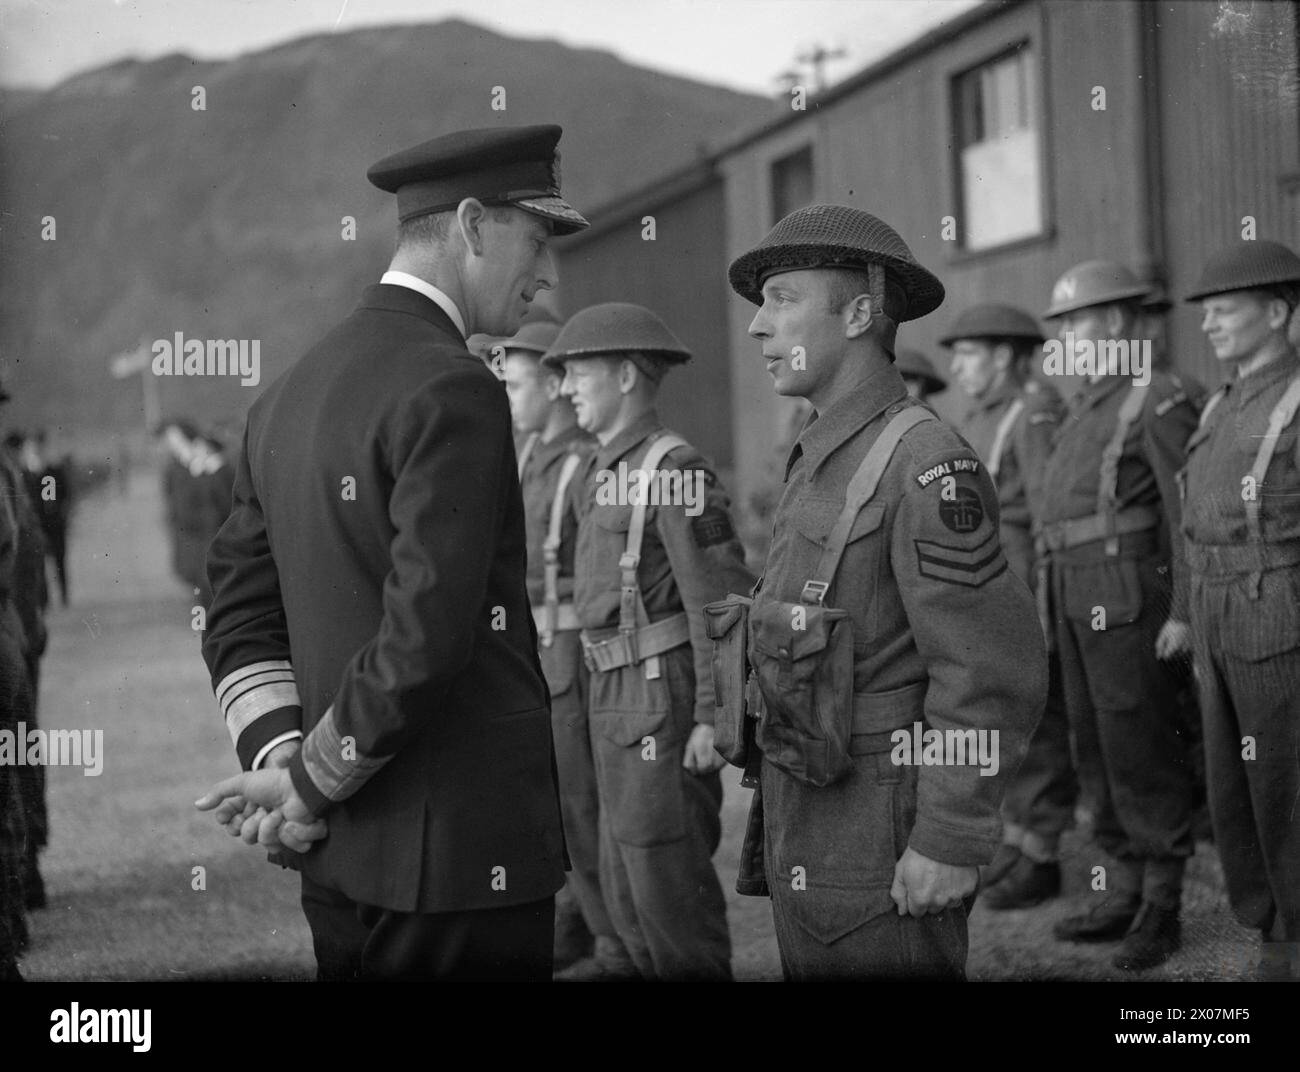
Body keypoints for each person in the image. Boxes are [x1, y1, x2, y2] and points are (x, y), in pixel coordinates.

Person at [194, 124, 589, 980]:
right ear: (475, 224)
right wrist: (304, 785)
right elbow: (427, 636)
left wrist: (284, 760)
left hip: (340, 853)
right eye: (537, 239)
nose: (548, 275)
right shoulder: (454, 384)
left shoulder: (285, 397)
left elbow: (233, 612)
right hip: (455, 863)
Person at [724, 204, 1046, 979]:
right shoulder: (821, 452)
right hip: (815, 804)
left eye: (784, 298)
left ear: (863, 313)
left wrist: (949, 837)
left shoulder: (925, 461)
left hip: (882, 826)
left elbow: (985, 672)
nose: (758, 327)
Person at [542, 302, 754, 981]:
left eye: (579, 373)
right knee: (624, 889)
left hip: (662, 702)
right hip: (612, 699)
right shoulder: (601, 471)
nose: (567, 388)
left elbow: (720, 602)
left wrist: (713, 718)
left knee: (669, 898)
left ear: (628, 375)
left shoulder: (674, 468)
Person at [1037, 259, 1199, 971]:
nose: (1066, 336)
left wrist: (1184, 611)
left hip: (1129, 597)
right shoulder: (1087, 404)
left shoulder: (1155, 397)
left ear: (1109, 325)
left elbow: (1183, 514)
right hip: (1074, 594)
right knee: (1095, 747)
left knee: (1140, 750)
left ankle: (1162, 904)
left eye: (1073, 322)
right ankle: (1124, 888)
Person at [499, 318, 634, 979]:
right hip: (535, 649)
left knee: (583, 798)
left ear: (554, 386)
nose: (506, 398)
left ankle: (615, 942)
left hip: (573, 652)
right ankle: (578, 920)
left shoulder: (584, 464)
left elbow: (603, 570)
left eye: (516, 384)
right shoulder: (525, 456)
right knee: (552, 799)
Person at [1180, 239, 1300, 981]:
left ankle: (1292, 935)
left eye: (1226, 311)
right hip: (1214, 605)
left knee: (1285, 779)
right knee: (1231, 782)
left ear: (1280, 313)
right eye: (1208, 314)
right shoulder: (1221, 401)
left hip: (1277, 608)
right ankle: (1267, 922)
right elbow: (1185, 515)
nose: (1211, 326)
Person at [940, 303, 1074, 909]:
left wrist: (1045, 613)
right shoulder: (985, 415)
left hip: (1029, 595)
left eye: (968, 354)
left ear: (1002, 356)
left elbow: (1050, 519)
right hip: (995, 596)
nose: (958, 367)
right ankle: (1019, 841)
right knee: (1009, 723)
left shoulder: (1033, 410)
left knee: (1040, 729)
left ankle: (1043, 853)